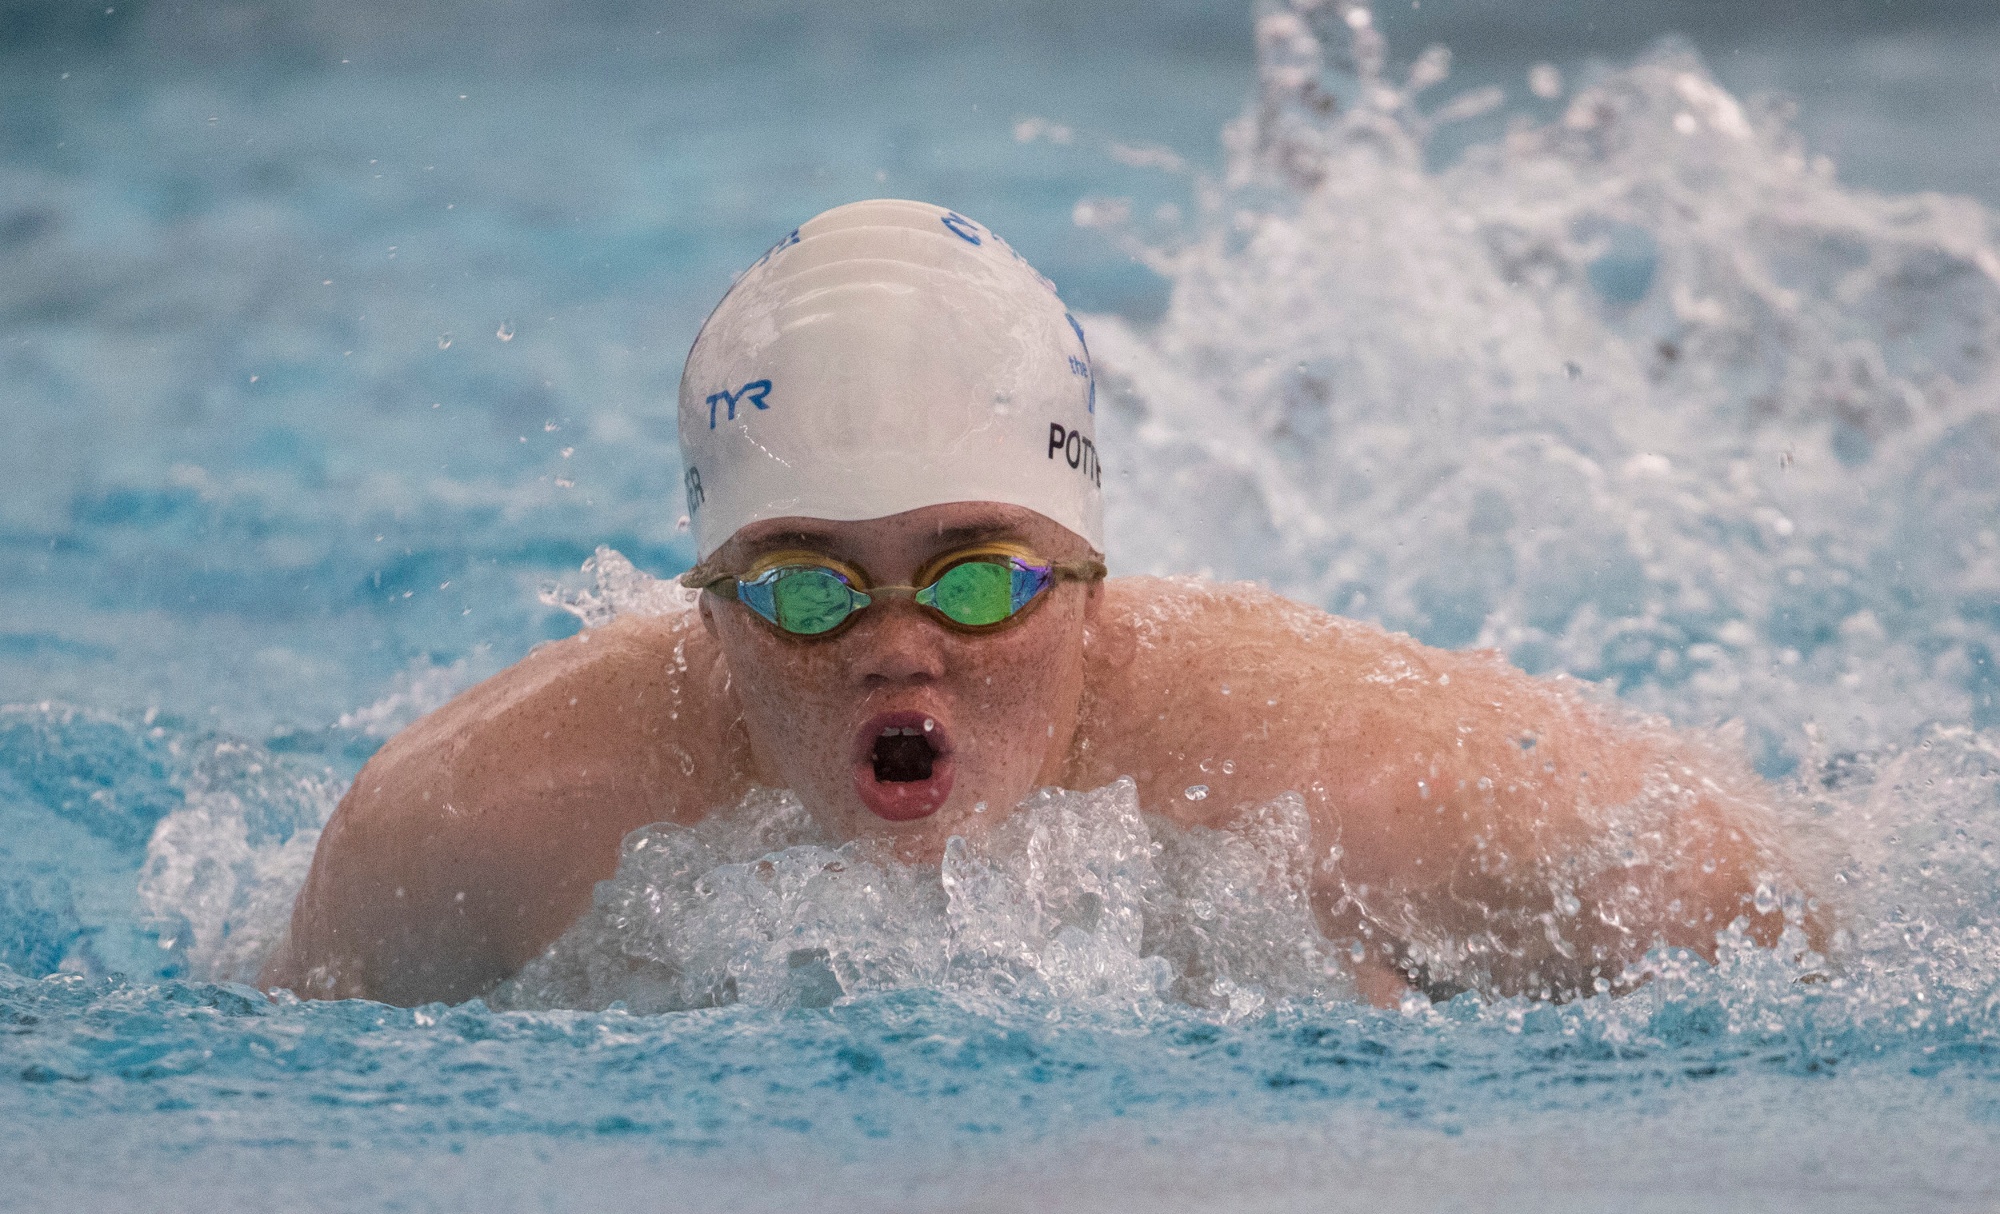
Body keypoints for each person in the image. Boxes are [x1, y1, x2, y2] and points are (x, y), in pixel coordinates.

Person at [261, 199, 1818, 1008]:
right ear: (711, 609)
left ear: (1087, 583)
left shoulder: (1328, 775)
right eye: (806, 584)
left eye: (978, 574)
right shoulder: (479, 822)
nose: (897, 642)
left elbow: (1794, 918)